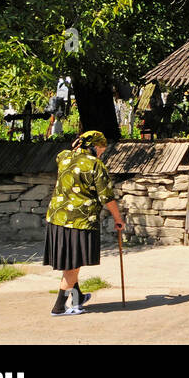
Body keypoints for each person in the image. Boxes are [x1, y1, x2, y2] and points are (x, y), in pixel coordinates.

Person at [44, 130, 124, 316]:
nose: (102, 153)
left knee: (71, 260)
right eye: (102, 149)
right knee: (73, 265)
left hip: (56, 218)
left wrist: (76, 146)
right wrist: (118, 219)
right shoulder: (95, 165)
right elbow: (106, 197)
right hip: (79, 221)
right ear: (95, 147)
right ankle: (58, 307)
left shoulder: (63, 157)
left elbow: (65, 153)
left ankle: (78, 297)